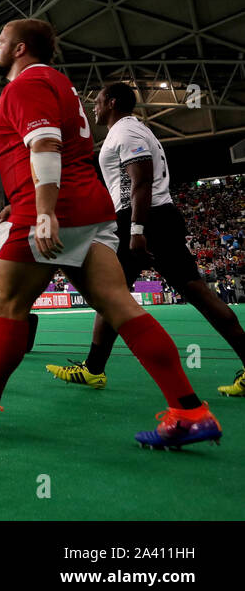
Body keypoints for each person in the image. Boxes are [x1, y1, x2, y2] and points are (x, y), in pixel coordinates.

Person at [0, 19, 221, 448]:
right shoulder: (60, 85)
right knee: (120, 306)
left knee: (8, 307)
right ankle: (190, 410)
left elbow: (45, 146)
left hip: (51, 209)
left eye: (1, 42)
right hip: (91, 208)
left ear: (21, 48)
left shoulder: (26, 85)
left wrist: (42, 212)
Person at [45, 82, 245, 397]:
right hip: (151, 218)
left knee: (117, 294)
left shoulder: (126, 133)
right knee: (133, 294)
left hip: (143, 220)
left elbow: (142, 182)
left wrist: (137, 230)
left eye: (97, 102)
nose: (93, 108)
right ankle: (93, 369)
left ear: (111, 102)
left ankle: (95, 370)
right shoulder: (133, 130)